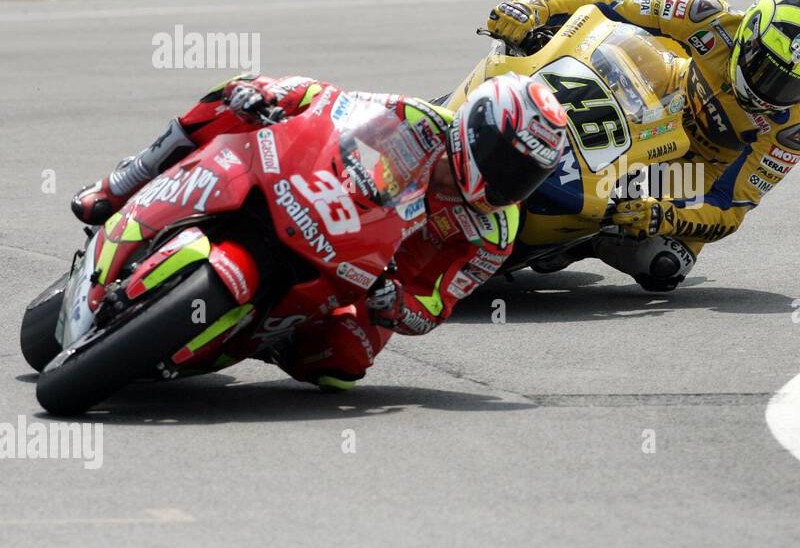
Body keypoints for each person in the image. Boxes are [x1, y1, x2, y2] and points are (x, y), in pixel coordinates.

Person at [69, 72, 568, 390]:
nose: (509, 182)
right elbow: (332, 105)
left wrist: (398, 306)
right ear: (477, 127)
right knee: (236, 96)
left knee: (346, 364)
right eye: (508, 161)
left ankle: (272, 336)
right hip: (323, 203)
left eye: (526, 175)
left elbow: (437, 303)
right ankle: (127, 180)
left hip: (369, 274)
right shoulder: (415, 119)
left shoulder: (496, 230)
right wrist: (276, 96)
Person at [485, 0, 800, 290]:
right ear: (749, 34)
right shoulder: (707, 17)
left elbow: (729, 209)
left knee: (662, 265)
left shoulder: (792, 131)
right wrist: (535, 7)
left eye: (795, 85)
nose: (773, 91)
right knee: (538, 44)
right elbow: (607, 1)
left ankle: (578, 241)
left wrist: (664, 216)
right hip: (655, 92)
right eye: (766, 69)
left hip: (691, 173)